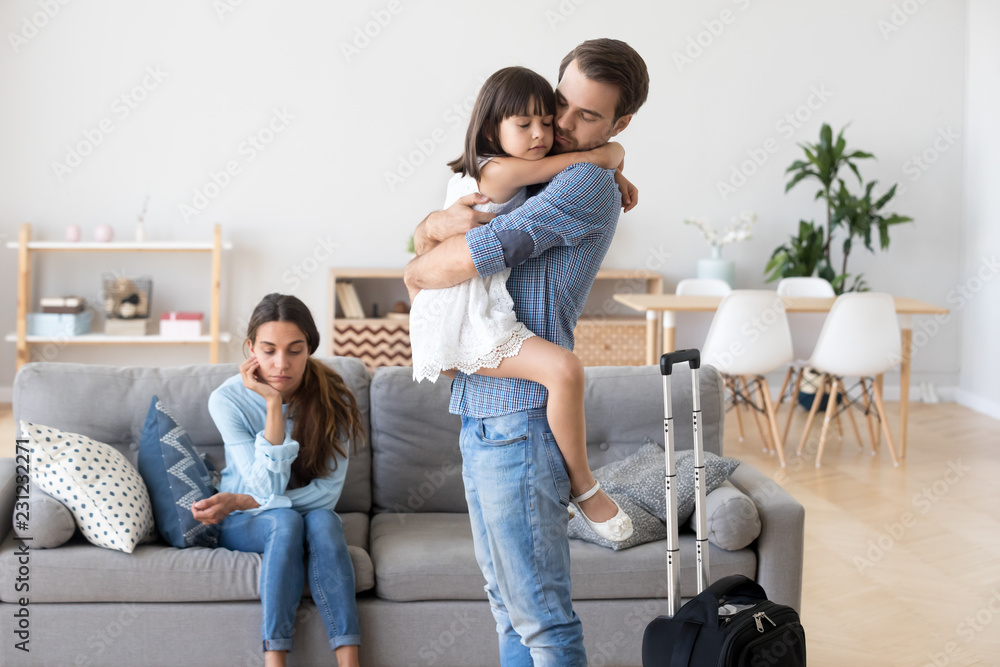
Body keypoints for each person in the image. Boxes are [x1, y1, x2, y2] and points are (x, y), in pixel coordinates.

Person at [404, 38, 649, 666]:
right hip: (483, 411)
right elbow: (443, 237)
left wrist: (419, 260)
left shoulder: (584, 184)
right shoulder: (546, 167)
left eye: (586, 117)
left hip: (521, 418)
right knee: (508, 607)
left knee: (540, 619)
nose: (558, 125)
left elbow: (460, 261)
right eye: (559, 102)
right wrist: (430, 228)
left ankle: (585, 487)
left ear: (619, 124)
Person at [192, 293, 365, 667]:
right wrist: (273, 405)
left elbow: (326, 496)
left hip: (249, 506)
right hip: (243, 522)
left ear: (309, 349)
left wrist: (242, 499)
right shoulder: (227, 400)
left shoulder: (334, 399)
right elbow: (266, 489)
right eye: (268, 350)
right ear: (251, 348)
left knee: (324, 520)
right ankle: (275, 662)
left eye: (294, 350)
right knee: (285, 520)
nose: (281, 364)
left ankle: (350, 662)